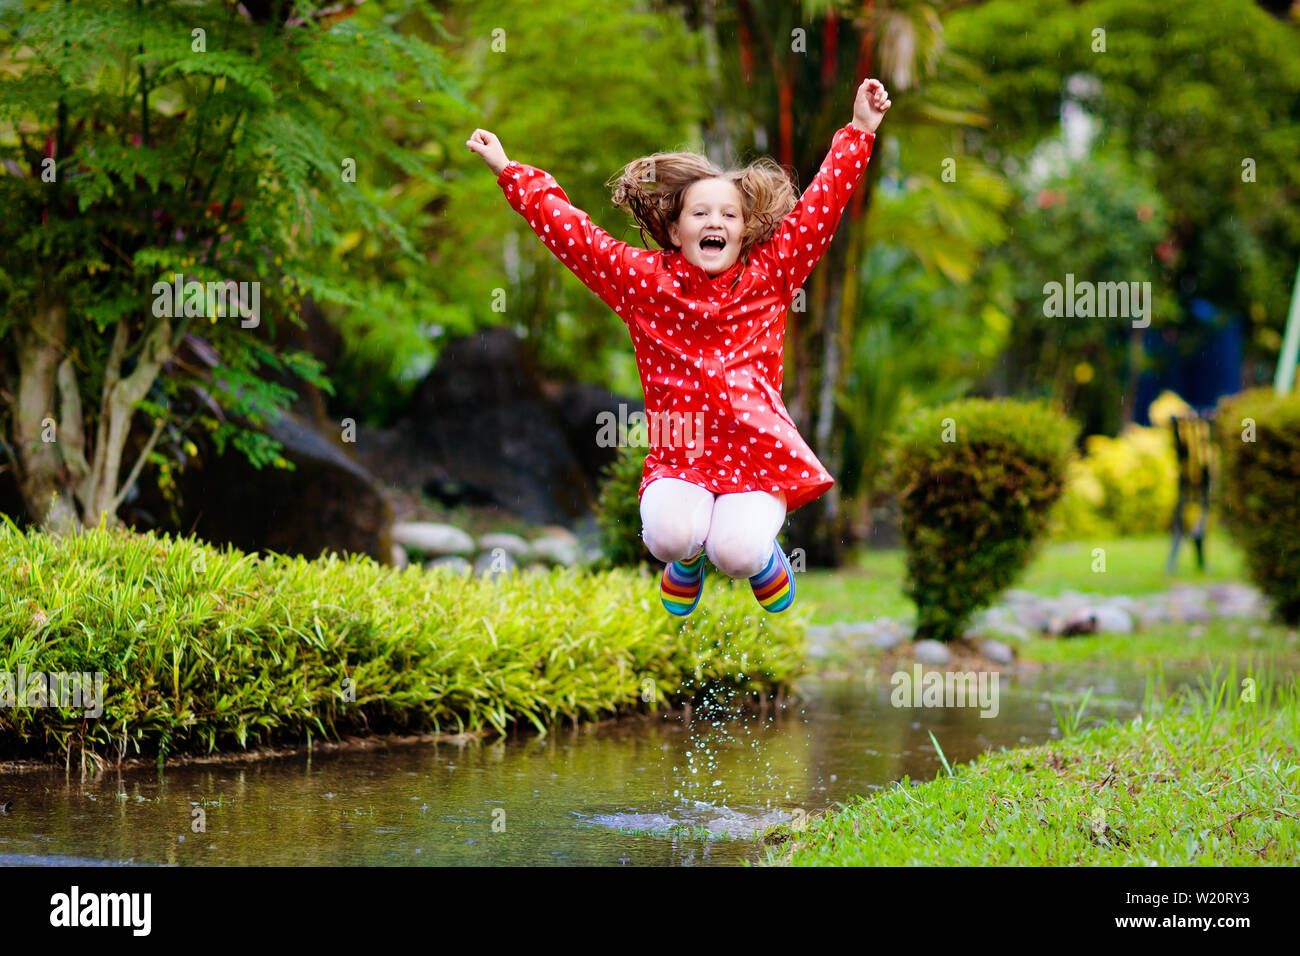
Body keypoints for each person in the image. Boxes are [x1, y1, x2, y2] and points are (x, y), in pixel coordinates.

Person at [467, 78, 891, 615]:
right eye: (700, 213)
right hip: (679, 454)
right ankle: (684, 561)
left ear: (744, 231)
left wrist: (859, 131)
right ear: (674, 231)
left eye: (729, 215)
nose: (715, 221)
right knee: (668, 538)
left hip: (756, 457)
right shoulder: (641, 282)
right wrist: (509, 171)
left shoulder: (772, 274)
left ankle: (762, 561)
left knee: (735, 554)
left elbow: (821, 209)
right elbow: (575, 234)